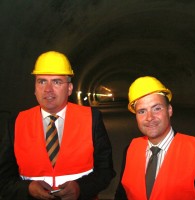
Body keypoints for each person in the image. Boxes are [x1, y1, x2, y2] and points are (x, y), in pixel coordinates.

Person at [0, 51, 116, 200]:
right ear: (35, 88)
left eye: (56, 82)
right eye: (41, 81)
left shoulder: (92, 118)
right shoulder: (16, 123)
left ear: (69, 88)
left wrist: (81, 188)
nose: (48, 89)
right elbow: (4, 179)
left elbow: (106, 171)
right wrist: (27, 189)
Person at [115, 76, 195, 200]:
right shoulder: (130, 149)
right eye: (142, 111)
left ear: (169, 110)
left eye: (157, 108)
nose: (149, 117)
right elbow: (122, 194)